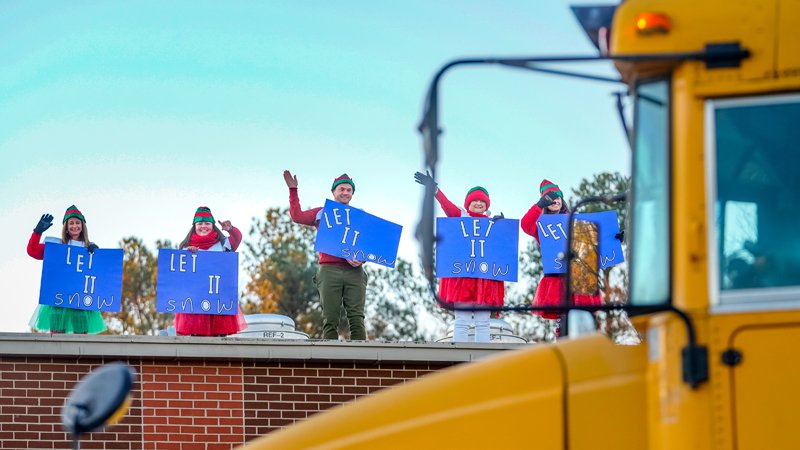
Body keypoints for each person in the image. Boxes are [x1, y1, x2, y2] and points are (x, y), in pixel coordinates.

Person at [414, 171, 504, 343]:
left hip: (484, 279)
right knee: (462, 321)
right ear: (468, 203)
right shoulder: (461, 216)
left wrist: (503, 227)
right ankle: (459, 354)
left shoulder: (494, 222)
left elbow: (503, 246)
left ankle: (482, 356)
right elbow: (447, 206)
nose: (478, 203)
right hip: (463, 278)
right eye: (475, 200)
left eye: (482, 201)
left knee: (483, 322)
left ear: (487, 205)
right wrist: (435, 190)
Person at [284, 170, 368, 340]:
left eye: (349, 190)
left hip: (355, 273)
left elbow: (368, 243)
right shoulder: (322, 212)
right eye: (341, 189)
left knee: (357, 317)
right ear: (333, 192)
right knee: (330, 318)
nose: (345, 192)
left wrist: (361, 259)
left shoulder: (359, 215)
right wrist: (293, 190)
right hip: (329, 270)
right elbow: (297, 216)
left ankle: (361, 353)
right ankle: (331, 354)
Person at [521, 180, 601, 335]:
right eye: (550, 198)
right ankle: (563, 342)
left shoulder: (575, 220)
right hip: (557, 278)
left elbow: (594, 239)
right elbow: (526, 225)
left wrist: (613, 239)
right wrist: (539, 205)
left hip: (580, 276)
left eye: (557, 197)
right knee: (563, 319)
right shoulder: (541, 226)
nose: (555, 200)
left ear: (562, 200)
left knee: (583, 319)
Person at [26, 205, 107, 334]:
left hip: (80, 299)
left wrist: (96, 253)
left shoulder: (89, 248)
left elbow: (100, 271)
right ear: (66, 227)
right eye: (71, 223)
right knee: (56, 334)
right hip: (58, 298)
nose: (75, 226)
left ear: (82, 226)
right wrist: (37, 232)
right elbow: (33, 251)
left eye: (77, 223)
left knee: (81, 334)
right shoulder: (57, 246)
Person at [174, 206, 247, 336]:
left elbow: (237, 238)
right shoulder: (186, 247)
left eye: (207, 223)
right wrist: (188, 256)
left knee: (219, 336)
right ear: (194, 226)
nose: (203, 226)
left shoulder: (223, 244)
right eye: (200, 223)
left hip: (218, 299)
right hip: (196, 302)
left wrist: (230, 229)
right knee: (198, 336)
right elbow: (181, 276)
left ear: (213, 226)